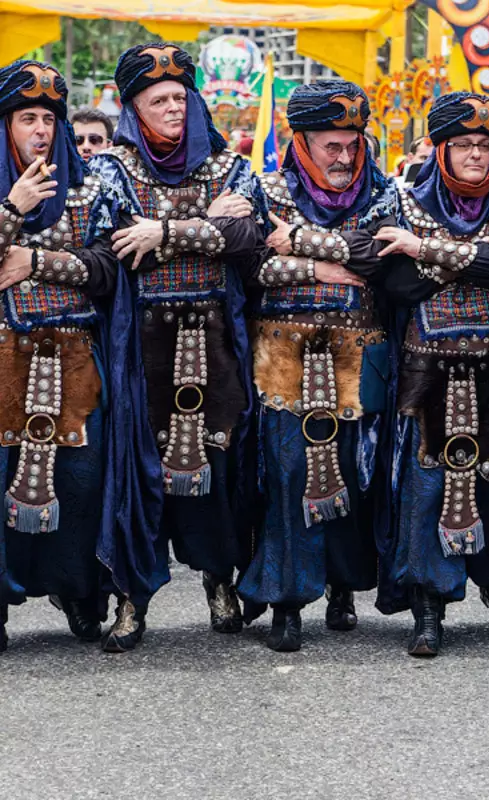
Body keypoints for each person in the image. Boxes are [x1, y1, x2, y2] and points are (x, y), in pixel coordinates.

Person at [90, 44, 263, 652]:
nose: (172, 109)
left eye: (179, 99)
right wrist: (208, 228)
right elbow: (112, 251)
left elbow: (249, 236)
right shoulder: (110, 170)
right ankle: (131, 601)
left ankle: (220, 582)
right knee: (139, 472)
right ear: (133, 109)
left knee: (216, 468)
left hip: (215, 342)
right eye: (157, 100)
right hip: (140, 348)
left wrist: (163, 231)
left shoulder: (227, 165)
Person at [373, 92, 489, 657]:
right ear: (441, 149)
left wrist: (428, 252)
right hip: (426, 367)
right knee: (427, 486)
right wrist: (476, 254)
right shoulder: (403, 200)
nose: (475, 154)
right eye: (463, 145)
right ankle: (429, 608)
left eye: (485, 145)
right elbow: (397, 284)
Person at [235, 81, 397, 651]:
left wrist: (299, 245)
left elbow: (377, 257)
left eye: (353, 144)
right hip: (282, 353)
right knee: (287, 475)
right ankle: (286, 599)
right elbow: (249, 261)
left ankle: (343, 586)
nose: (345, 157)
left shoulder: (383, 190)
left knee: (355, 472)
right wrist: (324, 269)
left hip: (361, 351)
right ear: (301, 142)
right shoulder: (265, 188)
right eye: (332, 145)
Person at [0, 61, 145, 652]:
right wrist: (12, 208)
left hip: (74, 356)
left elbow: (110, 268)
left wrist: (36, 263)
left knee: (81, 484)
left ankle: (82, 595)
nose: (39, 129)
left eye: (47, 118)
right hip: (3, 355)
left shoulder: (92, 183)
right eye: (26, 118)